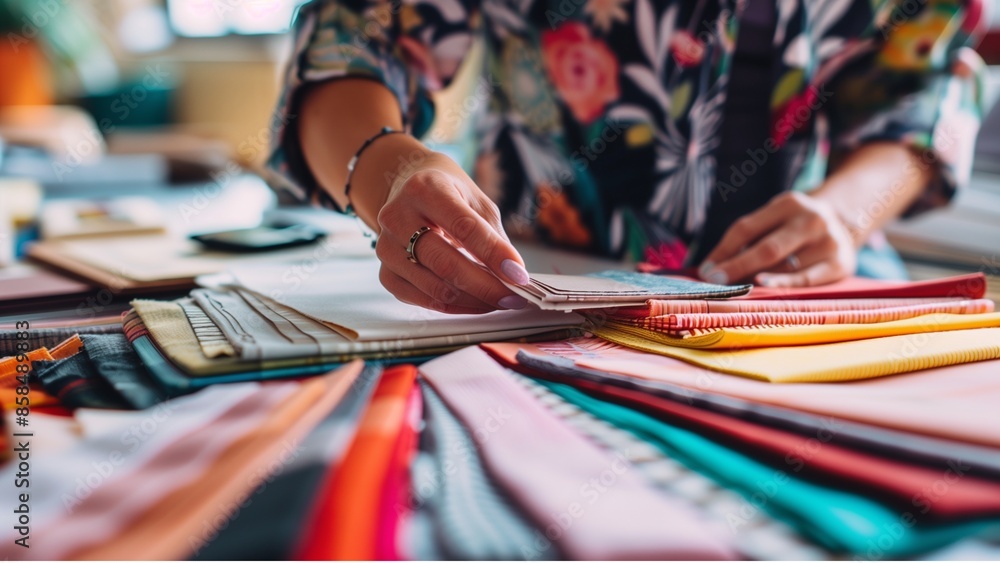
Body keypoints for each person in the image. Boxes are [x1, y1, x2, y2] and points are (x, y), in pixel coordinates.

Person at [266, 0, 987, 314]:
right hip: (515, 288)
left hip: (805, 292)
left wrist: (845, 212)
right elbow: (356, 35)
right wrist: (387, 165)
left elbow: (920, 89)